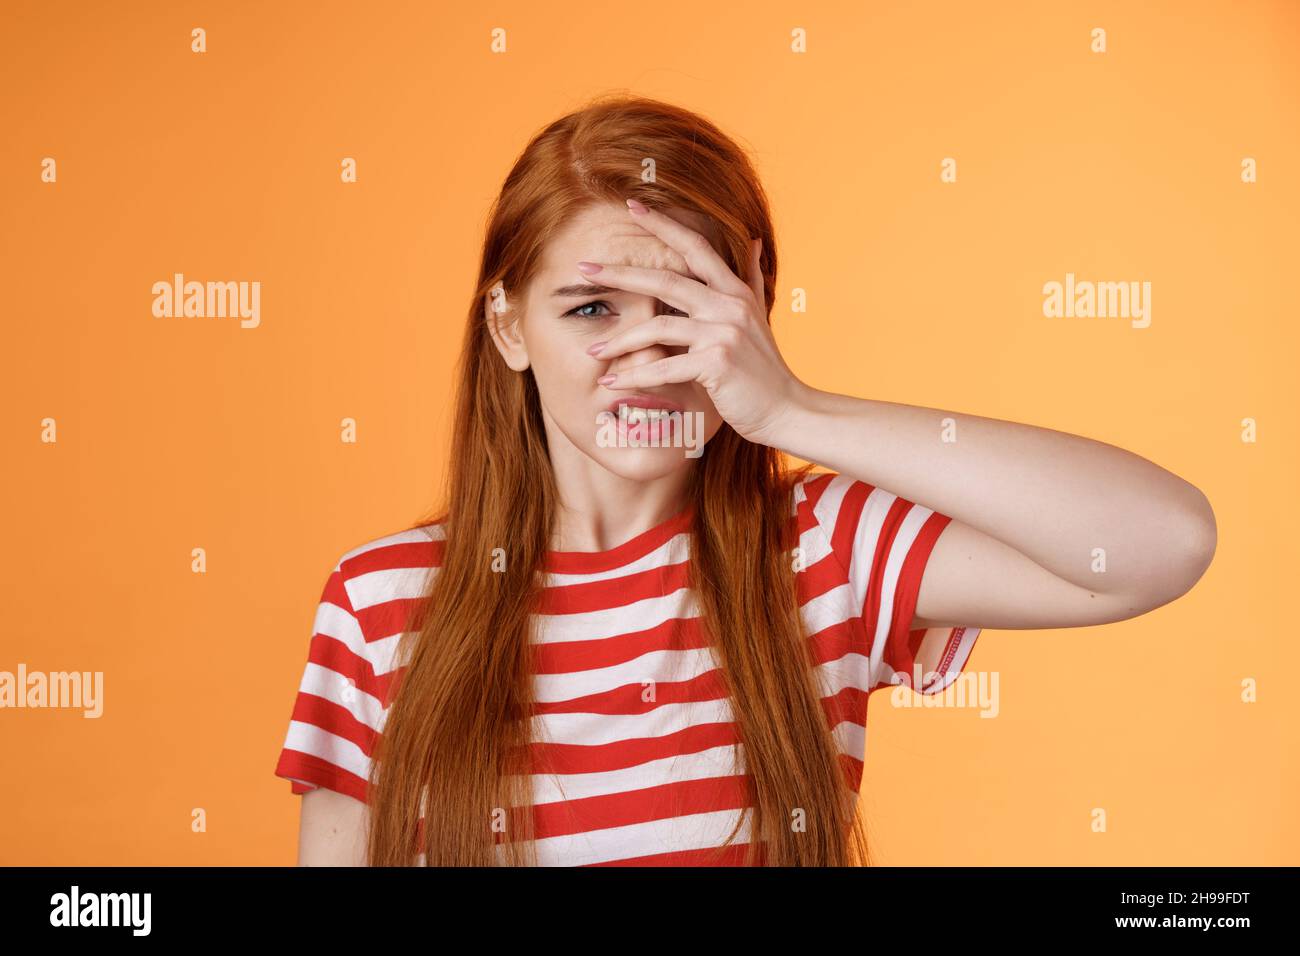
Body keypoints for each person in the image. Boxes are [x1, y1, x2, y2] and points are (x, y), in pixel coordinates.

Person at [274, 93, 1216, 866]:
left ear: (753, 313)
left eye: (689, 310)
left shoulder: (821, 550)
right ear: (510, 328)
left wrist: (792, 410)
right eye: (592, 308)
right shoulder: (383, 602)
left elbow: (1161, 542)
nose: (646, 359)